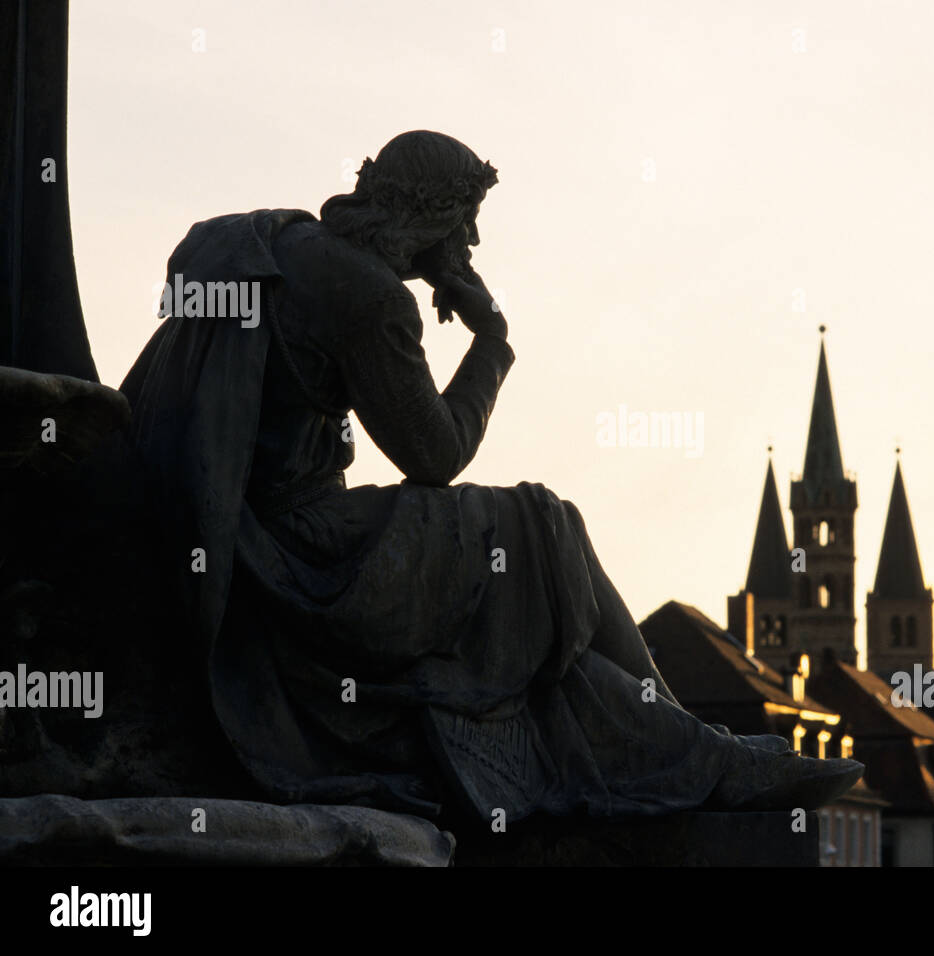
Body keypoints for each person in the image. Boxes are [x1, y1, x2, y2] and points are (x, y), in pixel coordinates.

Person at [120, 130, 862, 824]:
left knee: (538, 554)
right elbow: (435, 457)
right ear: (430, 216)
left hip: (241, 537)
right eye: (467, 222)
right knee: (541, 524)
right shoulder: (371, 296)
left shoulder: (276, 241)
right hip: (299, 560)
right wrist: (492, 341)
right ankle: (695, 750)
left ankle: (689, 746)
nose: (472, 244)